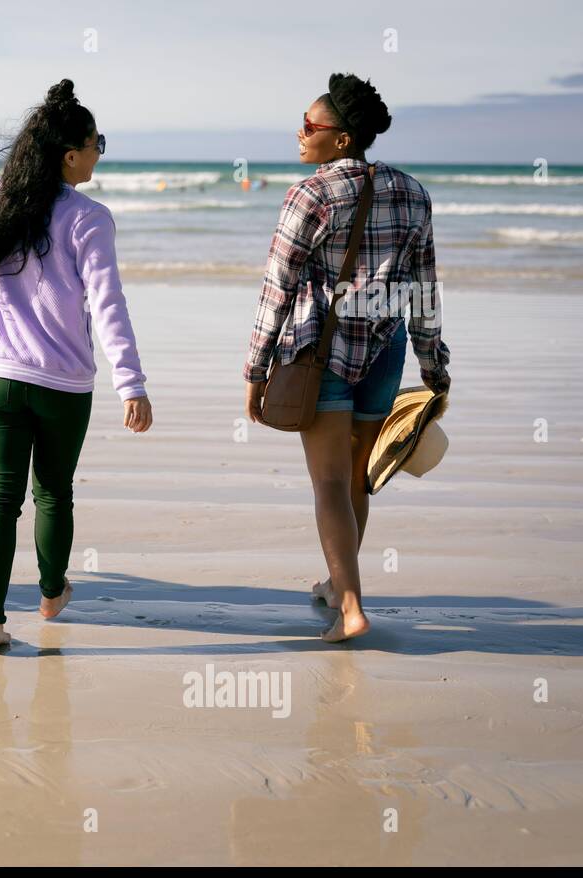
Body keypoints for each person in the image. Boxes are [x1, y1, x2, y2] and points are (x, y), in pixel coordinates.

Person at [0, 79, 152, 652]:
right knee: (53, 493)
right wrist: (132, 383)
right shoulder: (90, 217)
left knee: (1, 496)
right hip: (61, 383)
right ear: (70, 155)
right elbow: (107, 303)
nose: (101, 150)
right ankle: (51, 594)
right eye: (97, 141)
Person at [243, 73, 450, 643]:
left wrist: (256, 369)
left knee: (329, 483)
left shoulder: (310, 193)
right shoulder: (413, 192)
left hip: (322, 351)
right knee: (355, 479)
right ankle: (339, 587)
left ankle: (351, 607)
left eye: (310, 126)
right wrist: (434, 366)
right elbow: (424, 289)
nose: (300, 134)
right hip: (386, 352)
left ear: (340, 139)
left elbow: (277, 288)